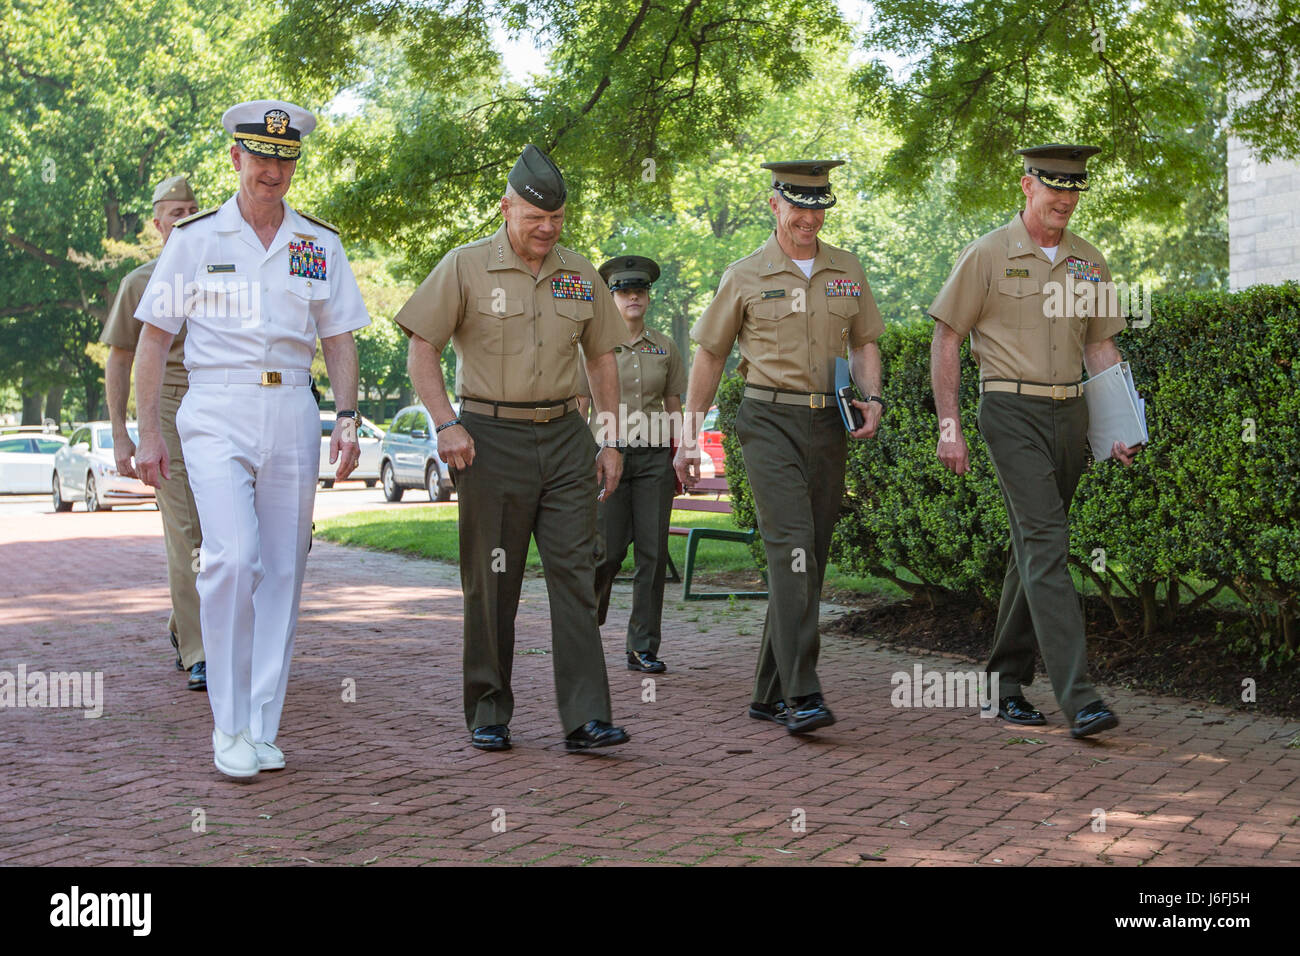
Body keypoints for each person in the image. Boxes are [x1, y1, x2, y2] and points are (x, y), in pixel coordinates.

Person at [133, 100, 370, 777]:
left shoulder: (316, 243)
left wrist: (346, 419)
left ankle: (263, 725)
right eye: (260, 156)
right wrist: (148, 433)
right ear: (235, 158)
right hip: (214, 404)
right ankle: (228, 724)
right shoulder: (197, 238)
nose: (272, 170)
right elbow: (153, 340)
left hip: (293, 403)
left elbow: (339, 336)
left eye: (284, 157)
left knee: (285, 570)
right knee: (232, 559)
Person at [395, 144, 631, 754]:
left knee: (577, 576)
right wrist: (446, 423)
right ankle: (489, 708)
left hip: (565, 437)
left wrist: (608, 435)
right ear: (506, 209)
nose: (547, 229)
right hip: (488, 440)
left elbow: (601, 357)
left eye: (556, 219)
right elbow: (422, 345)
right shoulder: (465, 266)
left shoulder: (581, 274)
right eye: (535, 217)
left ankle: (585, 718)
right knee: (493, 580)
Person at [928, 143, 1139, 739]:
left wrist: (1119, 427)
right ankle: (1080, 697)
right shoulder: (988, 254)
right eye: (1055, 192)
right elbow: (947, 339)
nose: (1065, 203)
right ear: (1027, 187)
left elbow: (1099, 346)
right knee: (1048, 541)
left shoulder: (1089, 262)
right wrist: (951, 425)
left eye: (1074, 194)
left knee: (1033, 548)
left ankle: (1003, 684)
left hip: (1070, 415)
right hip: (1009, 410)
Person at [675, 160, 884, 735]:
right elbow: (711, 355)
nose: (810, 219)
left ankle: (767, 691)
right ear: (775, 206)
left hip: (829, 425)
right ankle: (803, 694)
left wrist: (873, 397)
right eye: (799, 208)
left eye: (819, 208)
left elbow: (864, 342)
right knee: (791, 551)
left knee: (808, 562)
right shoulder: (744, 274)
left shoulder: (847, 268)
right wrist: (689, 436)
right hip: (767, 422)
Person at [99, 175, 205, 691]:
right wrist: (126, 435)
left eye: (192, 208)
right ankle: (201, 651)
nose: (184, 217)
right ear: (157, 222)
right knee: (186, 529)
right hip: (164, 403)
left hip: (218, 400)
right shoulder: (139, 282)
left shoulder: (223, 271)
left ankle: (181, 624)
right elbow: (119, 362)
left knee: (225, 531)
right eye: (175, 211)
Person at [577, 256, 687, 674]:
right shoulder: (594, 346)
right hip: (607, 458)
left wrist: (683, 451)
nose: (634, 296)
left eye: (640, 290)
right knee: (605, 552)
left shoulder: (665, 347)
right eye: (624, 291)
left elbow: (674, 402)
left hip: (654, 459)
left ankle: (643, 645)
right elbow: (580, 406)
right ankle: (585, 631)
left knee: (652, 554)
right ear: (611, 297)